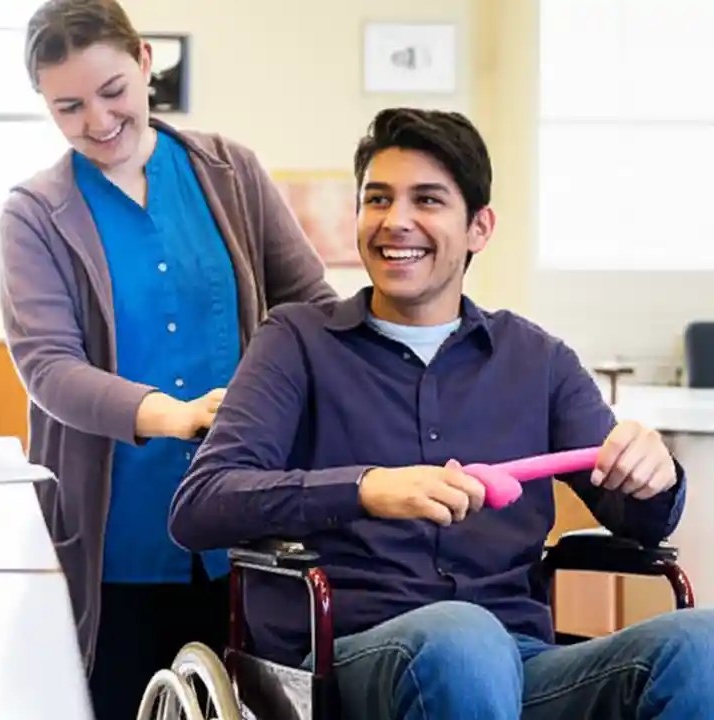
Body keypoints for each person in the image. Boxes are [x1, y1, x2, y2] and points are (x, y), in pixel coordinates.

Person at [169, 107, 714, 719]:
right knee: (461, 640)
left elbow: (638, 517)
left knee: (703, 644)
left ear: (479, 227)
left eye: (426, 201)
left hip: (521, 663)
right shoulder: (295, 342)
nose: (395, 221)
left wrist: (653, 474)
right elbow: (202, 505)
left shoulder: (538, 360)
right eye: (377, 200)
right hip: (344, 661)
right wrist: (366, 488)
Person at [0, 1, 336, 716]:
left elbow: (310, 308)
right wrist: (173, 415)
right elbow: (49, 368)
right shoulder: (34, 212)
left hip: (247, 530)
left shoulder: (230, 171)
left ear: (146, 60)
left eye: (113, 91)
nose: (98, 120)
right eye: (68, 106)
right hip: (117, 541)